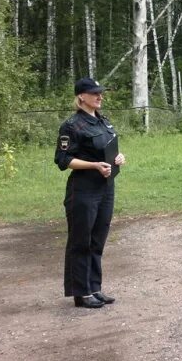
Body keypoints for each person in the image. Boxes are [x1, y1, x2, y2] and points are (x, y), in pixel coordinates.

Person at [55, 77, 126, 308]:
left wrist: (119, 158)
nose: (100, 96)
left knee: (98, 239)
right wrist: (94, 165)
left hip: (105, 189)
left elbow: (109, 147)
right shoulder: (72, 125)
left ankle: (95, 287)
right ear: (81, 97)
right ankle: (81, 293)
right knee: (81, 241)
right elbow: (63, 160)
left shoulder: (103, 122)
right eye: (94, 93)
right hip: (83, 190)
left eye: (100, 93)